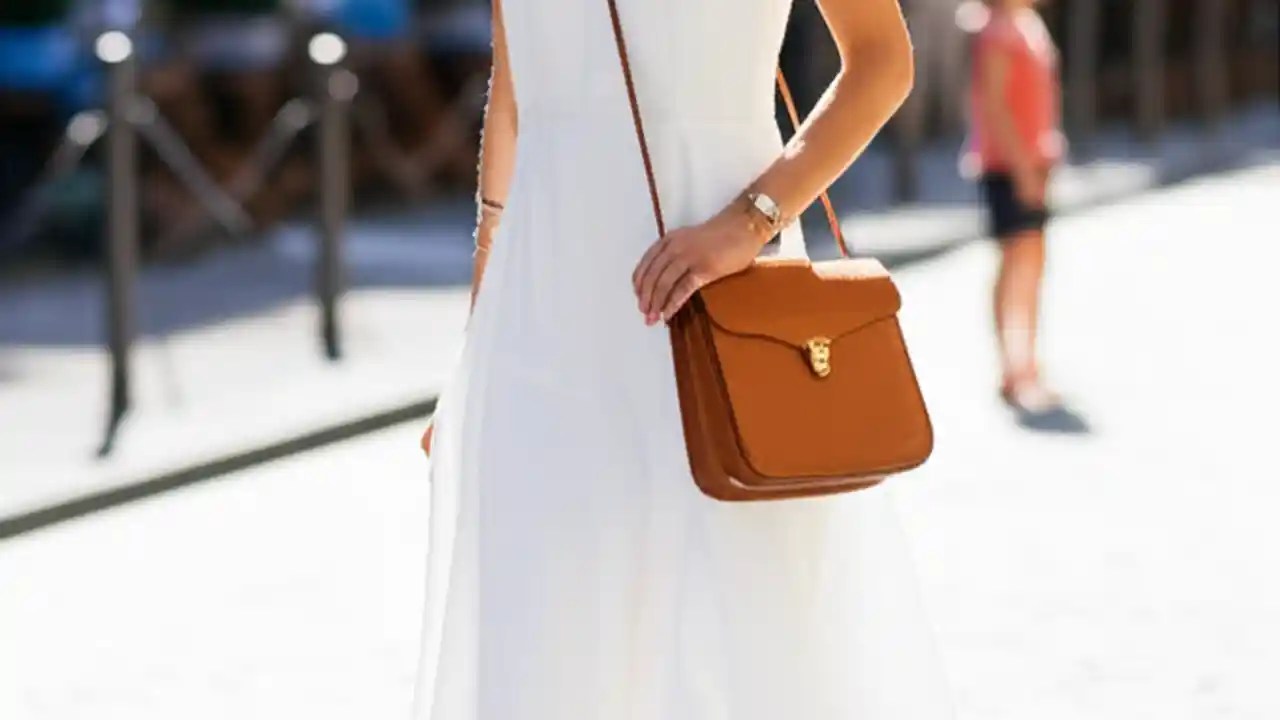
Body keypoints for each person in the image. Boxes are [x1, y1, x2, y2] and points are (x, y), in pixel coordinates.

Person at [414, 1, 952, 718]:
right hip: (540, 318)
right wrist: (478, 337)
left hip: (716, 290)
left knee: (733, 624)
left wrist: (751, 220)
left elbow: (882, 61)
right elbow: (514, 104)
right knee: (547, 627)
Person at [966, 0, 1064, 414]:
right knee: (1013, 260)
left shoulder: (1028, 23)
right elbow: (994, 105)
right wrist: (1022, 167)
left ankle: (1029, 362)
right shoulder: (995, 30)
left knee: (1034, 261)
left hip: (1035, 160)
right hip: (1007, 164)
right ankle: (1009, 365)